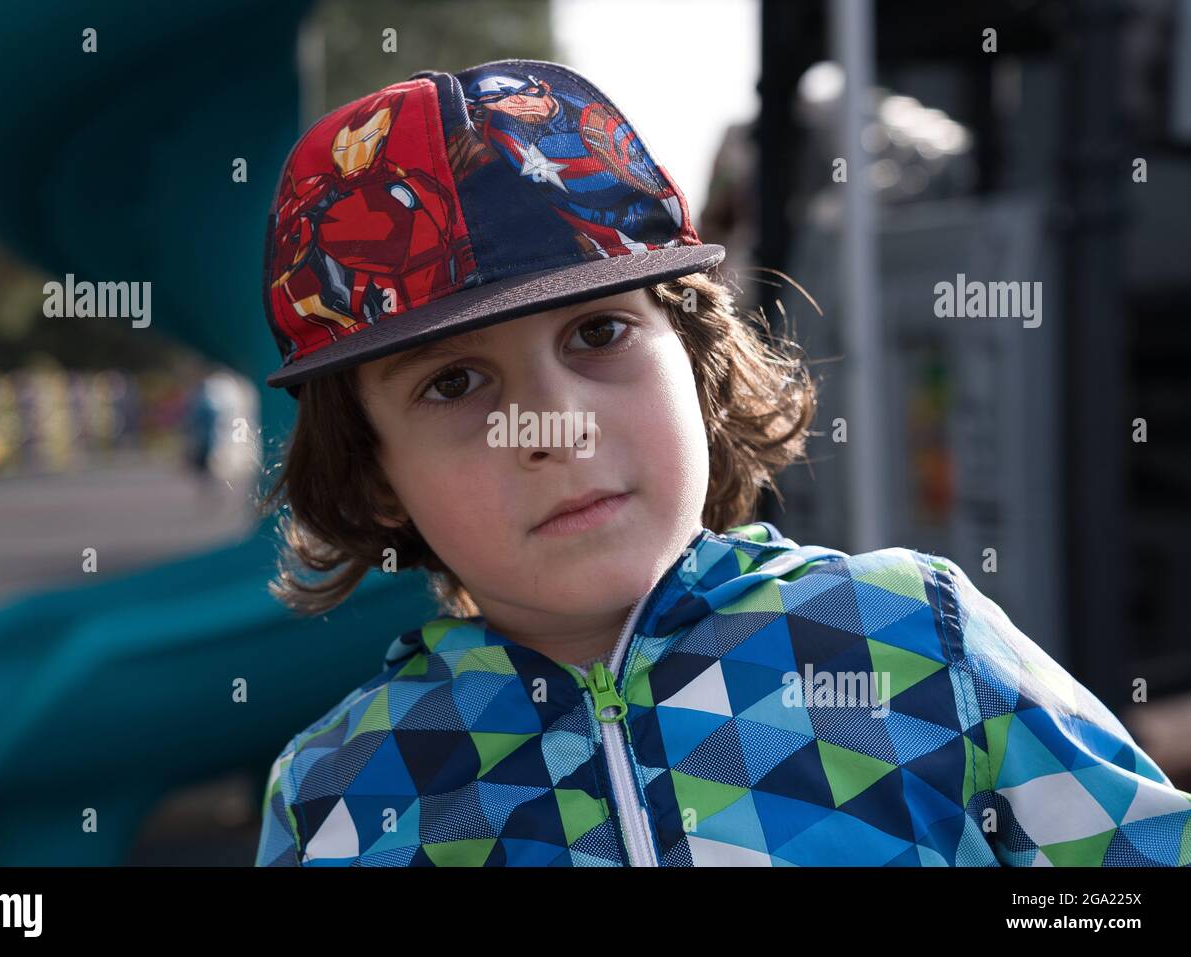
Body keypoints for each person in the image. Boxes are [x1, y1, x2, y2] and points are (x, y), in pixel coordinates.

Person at [253, 59, 1191, 866]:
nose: (555, 425)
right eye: (455, 383)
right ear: (372, 473)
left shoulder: (911, 641)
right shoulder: (339, 798)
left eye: (598, 331)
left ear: (699, 358)